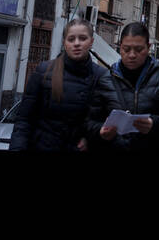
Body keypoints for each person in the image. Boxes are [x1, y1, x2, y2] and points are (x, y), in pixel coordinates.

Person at [10, 18, 107, 152]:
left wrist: (90, 139)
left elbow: (103, 123)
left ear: (91, 42)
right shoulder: (44, 71)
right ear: (64, 43)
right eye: (71, 39)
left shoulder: (101, 77)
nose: (76, 43)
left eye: (82, 38)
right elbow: (24, 119)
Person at [90, 22, 159, 151]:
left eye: (139, 50)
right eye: (126, 49)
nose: (132, 55)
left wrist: (153, 123)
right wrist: (101, 132)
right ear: (119, 47)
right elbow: (89, 121)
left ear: (148, 47)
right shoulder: (106, 79)